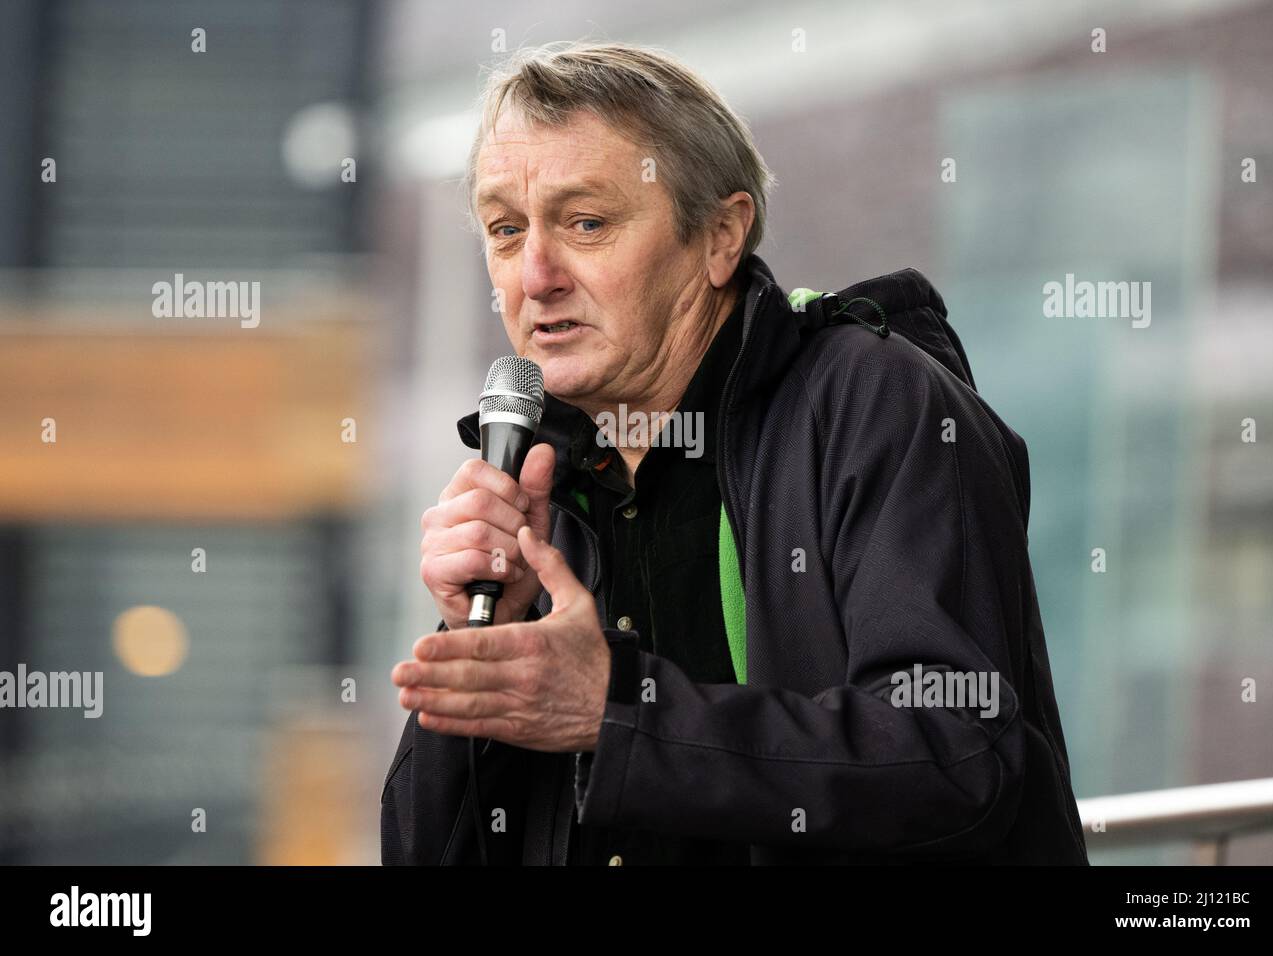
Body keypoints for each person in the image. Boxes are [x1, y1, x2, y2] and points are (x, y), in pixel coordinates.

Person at [382, 40, 1089, 865]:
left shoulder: (876, 403)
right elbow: (423, 852)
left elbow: (957, 754)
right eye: (506, 230)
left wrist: (616, 712)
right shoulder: (540, 483)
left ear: (721, 236)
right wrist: (481, 631)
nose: (535, 275)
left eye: (586, 223)